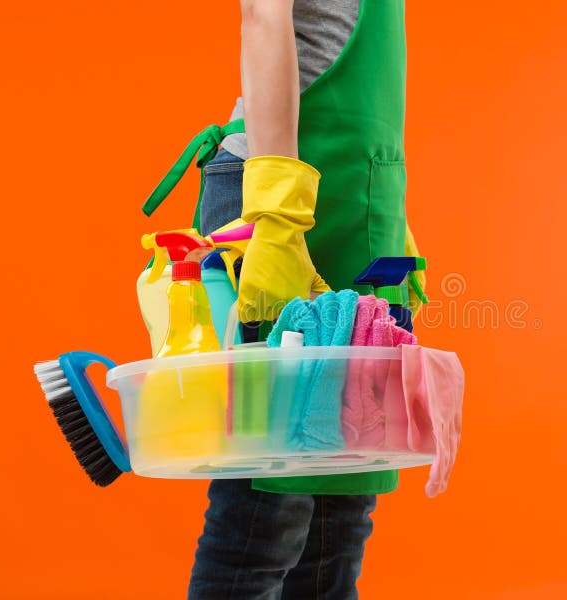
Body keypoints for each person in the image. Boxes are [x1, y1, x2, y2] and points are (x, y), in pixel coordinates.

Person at [187, 1, 411, 598]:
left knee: (339, 518)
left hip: (354, 203)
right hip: (279, 196)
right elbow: (262, 14)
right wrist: (278, 209)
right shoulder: (277, 205)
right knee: (265, 516)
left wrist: (392, 215)